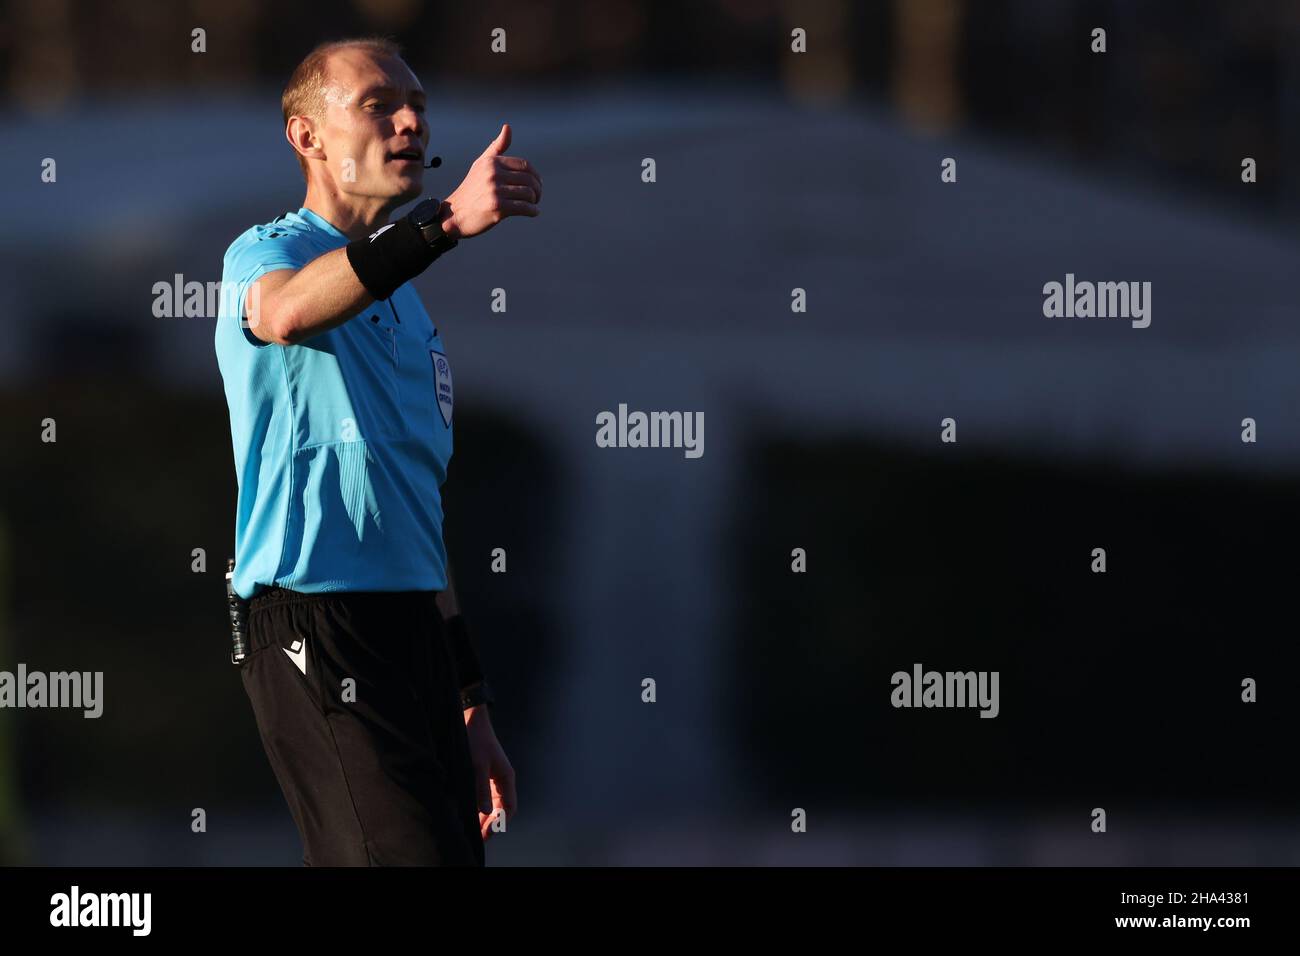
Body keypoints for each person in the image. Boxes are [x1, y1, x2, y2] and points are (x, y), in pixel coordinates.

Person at [213, 36, 540, 865]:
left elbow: (416, 515)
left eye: (418, 107)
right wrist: (446, 223)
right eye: (377, 104)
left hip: (413, 636)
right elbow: (286, 313)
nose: (409, 122)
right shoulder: (268, 251)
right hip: (314, 619)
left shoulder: (412, 310)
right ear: (308, 138)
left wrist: (469, 703)